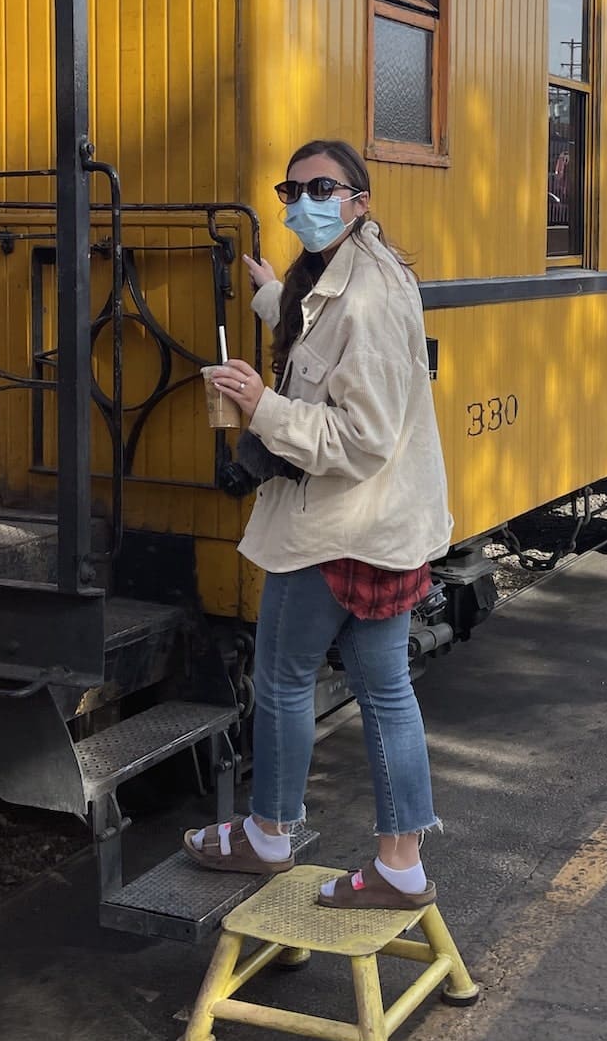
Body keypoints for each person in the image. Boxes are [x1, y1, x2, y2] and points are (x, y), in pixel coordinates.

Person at [184, 138, 452, 909]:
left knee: (282, 676)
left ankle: (268, 832)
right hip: (385, 527)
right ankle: (401, 867)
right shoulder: (362, 273)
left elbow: (359, 439)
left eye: (322, 187)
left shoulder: (364, 299)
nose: (303, 201)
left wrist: (259, 406)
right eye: (292, 189)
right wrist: (270, 293)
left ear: (357, 200)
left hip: (342, 528)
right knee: (387, 692)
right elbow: (315, 331)